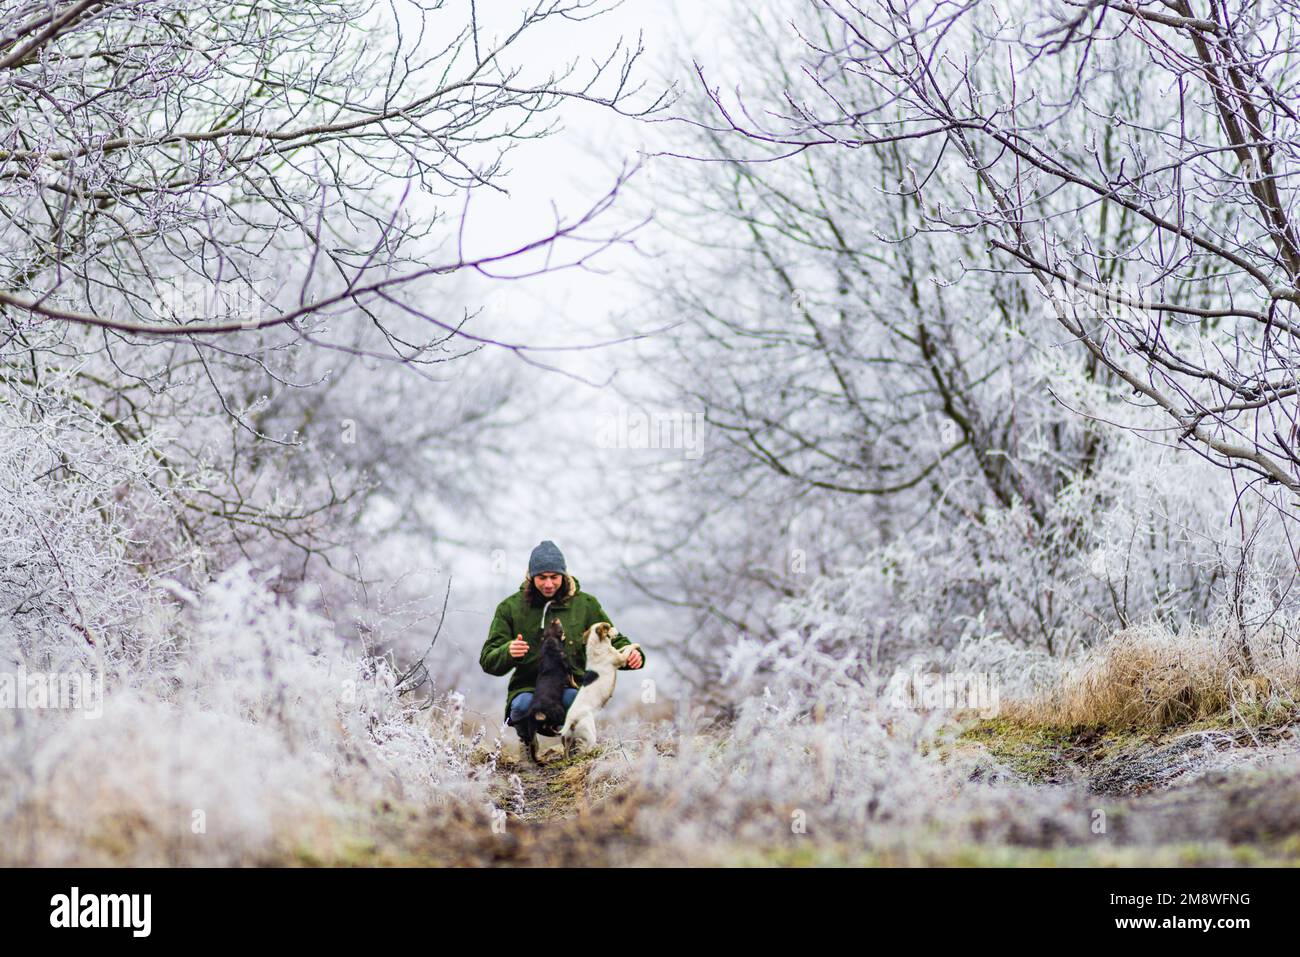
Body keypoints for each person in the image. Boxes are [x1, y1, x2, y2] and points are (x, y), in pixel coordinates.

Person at [480, 540, 645, 743]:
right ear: (531, 577)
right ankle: (528, 744)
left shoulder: (585, 605)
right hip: (528, 689)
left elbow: (614, 639)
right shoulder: (510, 608)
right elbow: (488, 659)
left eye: (554, 577)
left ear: (563, 575)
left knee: (577, 701)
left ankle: (576, 749)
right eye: (542, 577)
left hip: (571, 686)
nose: (548, 584)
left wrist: (631, 655)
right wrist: (508, 651)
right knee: (521, 706)